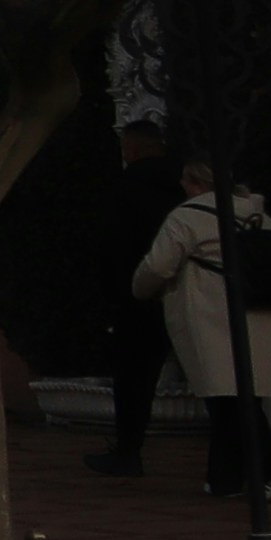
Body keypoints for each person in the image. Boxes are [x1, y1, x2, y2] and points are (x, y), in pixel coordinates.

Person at [132, 157, 271, 502]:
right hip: (261, 312)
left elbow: (158, 265)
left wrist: (139, 289)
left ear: (195, 182)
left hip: (212, 315)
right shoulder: (258, 214)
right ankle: (223, 479)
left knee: (227, 398)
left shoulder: (186, 216)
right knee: (238, 395)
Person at [82, 123, 185, 476]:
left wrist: (112, 298)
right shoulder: (187, 188)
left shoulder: (125, 191)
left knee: (134, 378)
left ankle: (128, 450)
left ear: (133, 150)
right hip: (191, 293)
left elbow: (111, 250)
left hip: (138, 297)